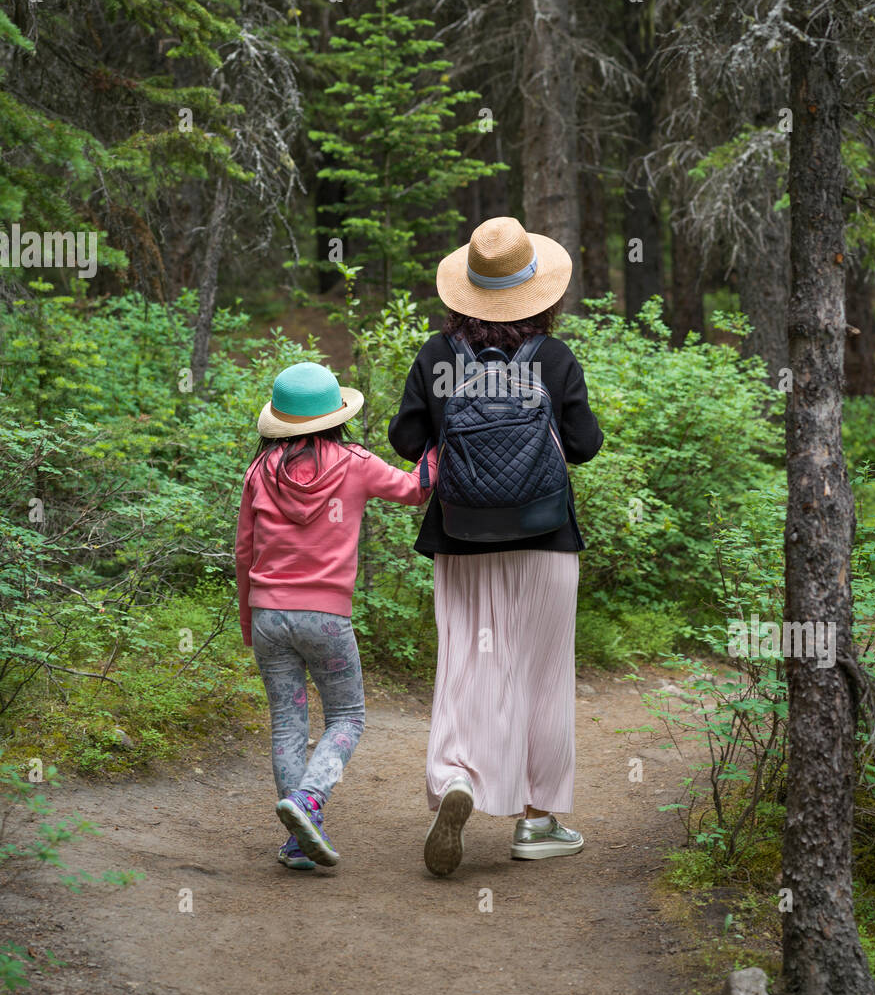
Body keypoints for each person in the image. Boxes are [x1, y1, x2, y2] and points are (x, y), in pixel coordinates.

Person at [388, 216, 603, 876]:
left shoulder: (436, 356)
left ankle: (457, 777)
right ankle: (536, 824)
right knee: (541, 677)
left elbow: (404, 442)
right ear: (538, 291)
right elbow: (587, 445)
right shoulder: (555, 359)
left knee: (467, 668)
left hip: (461, 536)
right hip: (545, 539)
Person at [235, 361, 437, 870]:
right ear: (335, 414)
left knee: (287, 722)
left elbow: (243, 551)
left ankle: (297, 841)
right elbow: (416, 489)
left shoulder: (259, 471)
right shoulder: (356, 461)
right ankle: (308, 801)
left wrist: (247, 619)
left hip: (267, 615)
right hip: (325, 616)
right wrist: (440, 440)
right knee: (346, 716)